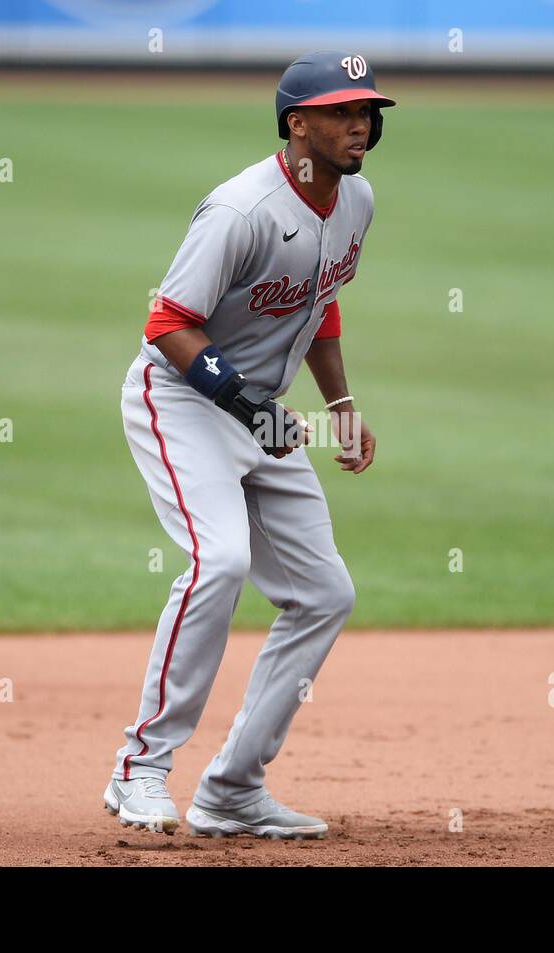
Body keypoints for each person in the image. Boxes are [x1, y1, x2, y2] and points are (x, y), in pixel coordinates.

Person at [105, 51, 395, 839]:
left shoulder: (357, 201)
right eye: (341, 112)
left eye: (367, 111)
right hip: (183, 403)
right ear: (295, 123)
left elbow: (319, 303)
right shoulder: (241, 209)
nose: (359, 125)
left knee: (325, 594)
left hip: (261, 410)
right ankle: (140, 769)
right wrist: (248, 408)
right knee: (221, 561)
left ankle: (233, 787)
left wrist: (341, 403)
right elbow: (165, 325)